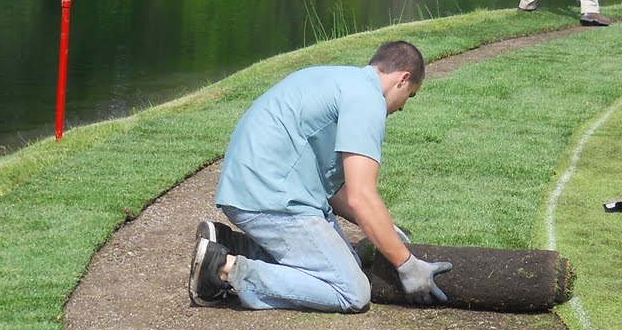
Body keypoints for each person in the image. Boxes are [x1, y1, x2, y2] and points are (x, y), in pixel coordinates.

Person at [190, 40, 452, 312]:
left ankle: (232, 245)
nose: (403, 108)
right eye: (411, 95)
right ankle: (223, 268)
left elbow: (337, 190)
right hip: (270, 198)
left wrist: (384, 230)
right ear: (403, 79)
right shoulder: (367, 99)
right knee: (352, 291)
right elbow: (362, 196)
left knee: (348, 262)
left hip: (254, 187)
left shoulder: (339, 79)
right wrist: (407, 266)